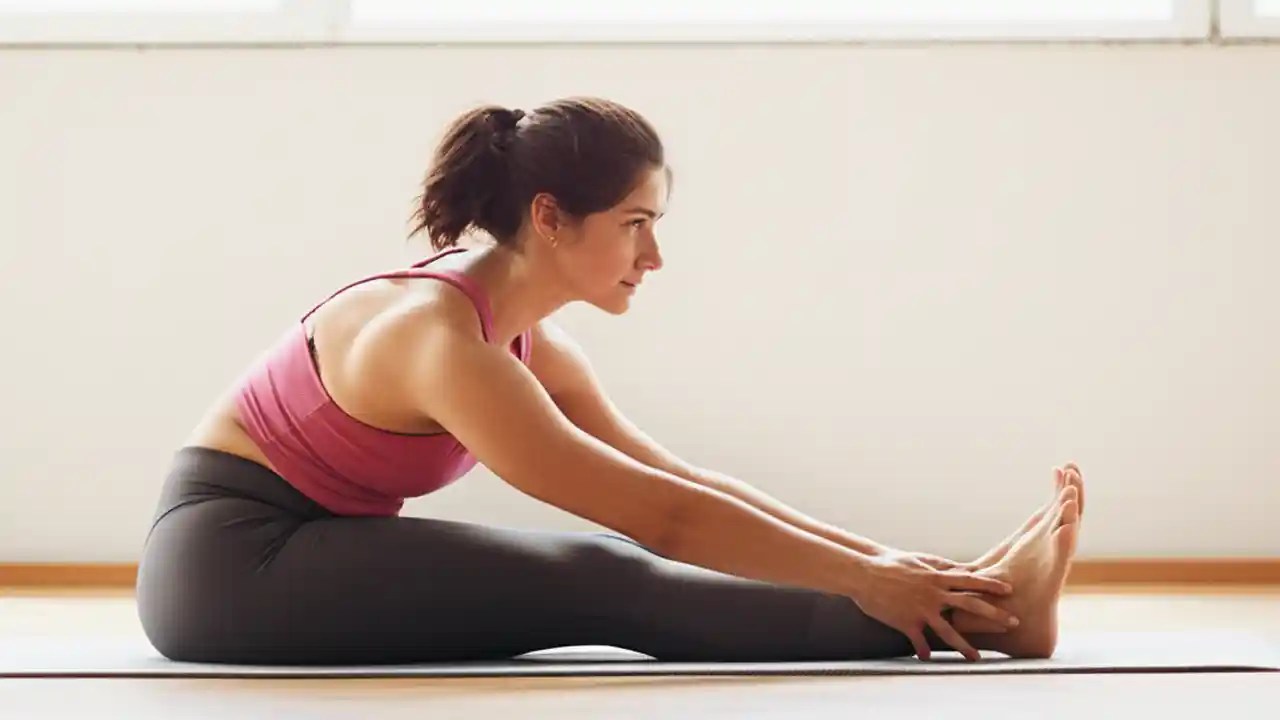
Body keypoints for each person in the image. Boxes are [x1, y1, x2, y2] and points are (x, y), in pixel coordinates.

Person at [135, 96, 1085, 666]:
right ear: (550, 217)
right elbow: (659, 521)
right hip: (231, 568)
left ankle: (974, 599)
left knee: (608, 565)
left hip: (301, 543)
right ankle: (988, 623)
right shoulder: (440, 342)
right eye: (636, 224)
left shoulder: (523, 338)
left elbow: (679, 482)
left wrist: (902, 564)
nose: (654, 256)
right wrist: (871, 581)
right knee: (603, 576)